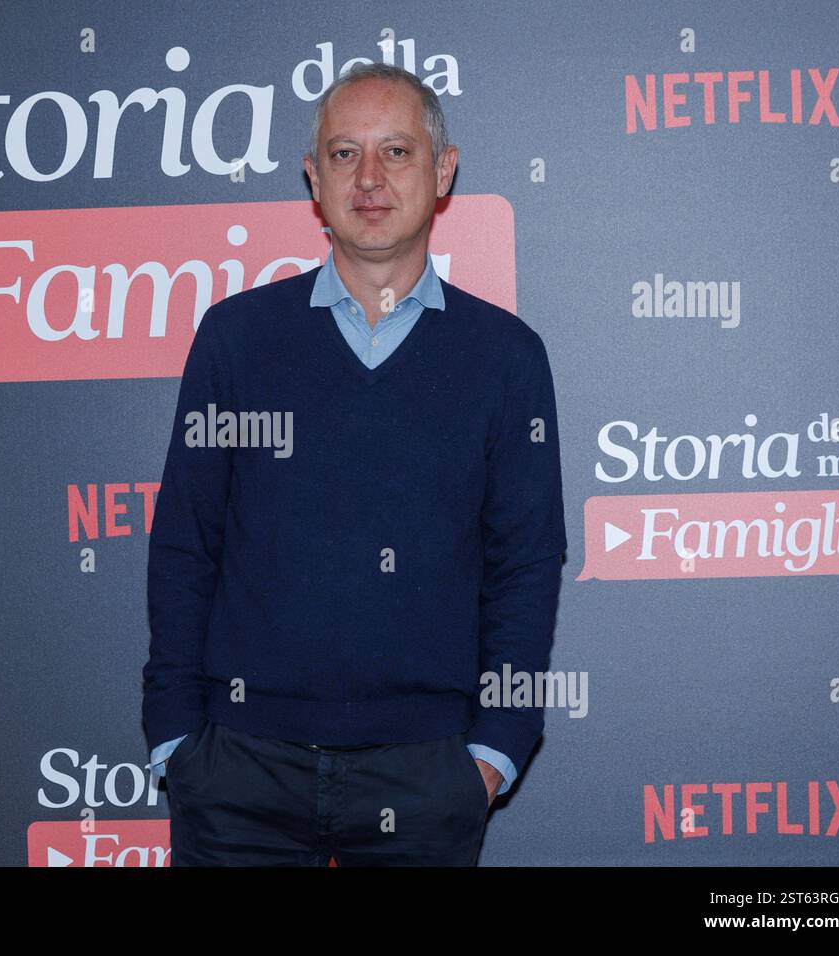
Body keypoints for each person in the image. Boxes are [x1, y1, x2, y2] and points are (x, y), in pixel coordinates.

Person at [142, 61, 567, 866]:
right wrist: (175, 737)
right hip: (238, 770)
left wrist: (496, 750)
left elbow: (528, 561)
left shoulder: (505, 357)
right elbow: (185, 544)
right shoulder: (237, 340)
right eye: (344, 155)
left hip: (428, 775)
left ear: (444, 172)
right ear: (314, 177)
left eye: (397, 153)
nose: (369, 179)